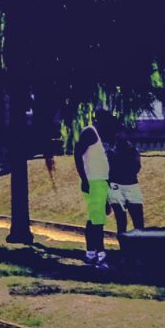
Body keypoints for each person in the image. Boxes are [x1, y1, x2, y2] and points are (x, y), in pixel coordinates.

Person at [74, 111, 112, 270]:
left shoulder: (99, 136)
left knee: (96, 219)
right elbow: (77, 153)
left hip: (101, 182)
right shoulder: (89, 132)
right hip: (93, 182)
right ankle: (100, 255)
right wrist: (84, 179)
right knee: (97, 221)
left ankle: (91, 253)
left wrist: (107, 197)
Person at [104, 124, 145, 236]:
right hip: (120, 186)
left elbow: (136, 168)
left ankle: (134, 243)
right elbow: (136, 168)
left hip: (123, 186)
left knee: (131, 221)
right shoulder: (129, 152)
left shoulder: (112, 154)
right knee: (128, 221)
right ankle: (128, 244)